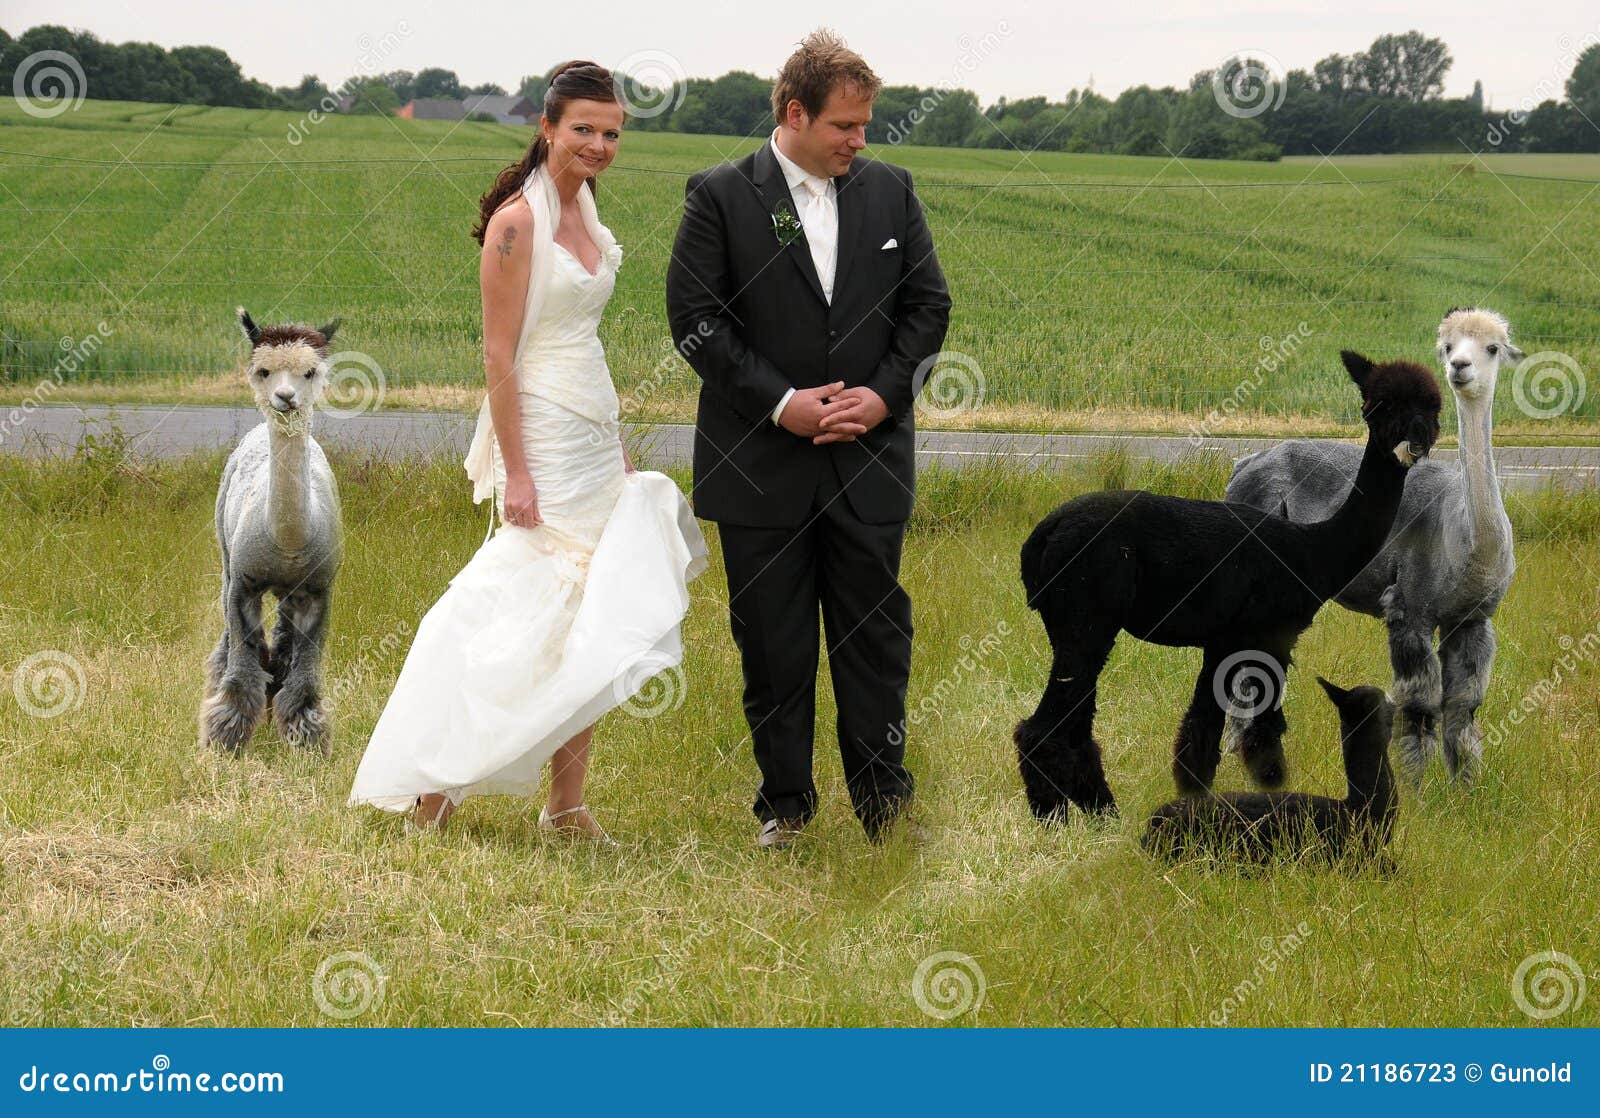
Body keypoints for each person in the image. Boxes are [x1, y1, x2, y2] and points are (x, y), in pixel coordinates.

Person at [348, 61, 708, 839]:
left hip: (590, 430)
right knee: (509, 602)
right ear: (547, 127)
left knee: (593, 610)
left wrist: (612, 443)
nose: (599, 145)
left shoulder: (588, 209)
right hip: (538, 429)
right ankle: (434, 790)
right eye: (584, 129)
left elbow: (583, 336)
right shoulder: (518, 223)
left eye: (611, 133)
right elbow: (498, 356)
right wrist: (515, 470)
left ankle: (566, 805)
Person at [666, 30, 951, 847]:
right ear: (795, 113)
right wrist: (783, 404)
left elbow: (929, 307)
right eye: (846, 127)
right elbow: (695, 324)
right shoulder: (720, 195)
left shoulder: (892, 192)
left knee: (876, 645)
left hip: (869, 464)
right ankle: (785, 809)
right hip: (759, 467)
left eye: (866, 126)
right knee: (776, 651)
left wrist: (884, 396)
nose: (861, 142)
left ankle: (885, 810)